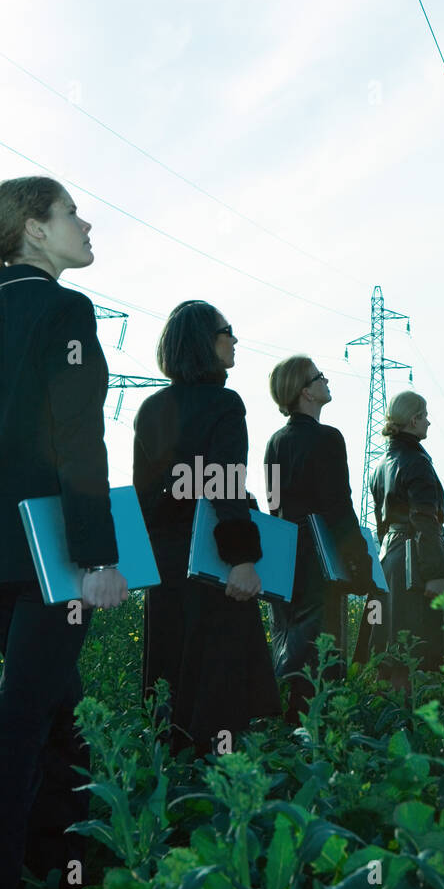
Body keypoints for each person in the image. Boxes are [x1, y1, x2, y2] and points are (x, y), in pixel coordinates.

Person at [0, 174, 128, 889]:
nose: (88, 226)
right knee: (21, 727)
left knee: (59, 718)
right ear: (33, 230)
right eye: (72, 215)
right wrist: (97, 555)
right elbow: (77, 434)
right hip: (51, 553)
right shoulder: (66, 310)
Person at [132, 301, 281, 758]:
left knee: (171, 686)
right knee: (221, 692)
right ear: (204, 341)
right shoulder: (224, 403)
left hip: (165, 565)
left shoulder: (151, 408)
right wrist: (242, 559)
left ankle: (170, 799)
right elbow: (224, 482)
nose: (234, 340)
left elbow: (143, 498)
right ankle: (219, 806)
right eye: (227, 331)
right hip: (211, 562)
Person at [263, 356, 375, 725]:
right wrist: (361, 566)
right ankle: (320, 745)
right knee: (323, 657)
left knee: (287, 651)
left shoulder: (275, 442)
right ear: (306, 391)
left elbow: (274, 505)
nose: (327, 380)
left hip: (283, 561)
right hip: (319, 561)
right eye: (319, 377)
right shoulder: (329, 439)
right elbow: (338, 509)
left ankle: (285, 734)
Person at [353, 389, 444, 691]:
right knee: (410, 654)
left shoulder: (381, 464)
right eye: (424, 416)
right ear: (413, 419)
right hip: (414, 562)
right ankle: (404, 730)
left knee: (388, 650)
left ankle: (384, 726)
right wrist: (434, 574)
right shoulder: (417, 463)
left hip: (388, 560)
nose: (429, 423)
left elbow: (382, 524)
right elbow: (425, 521)